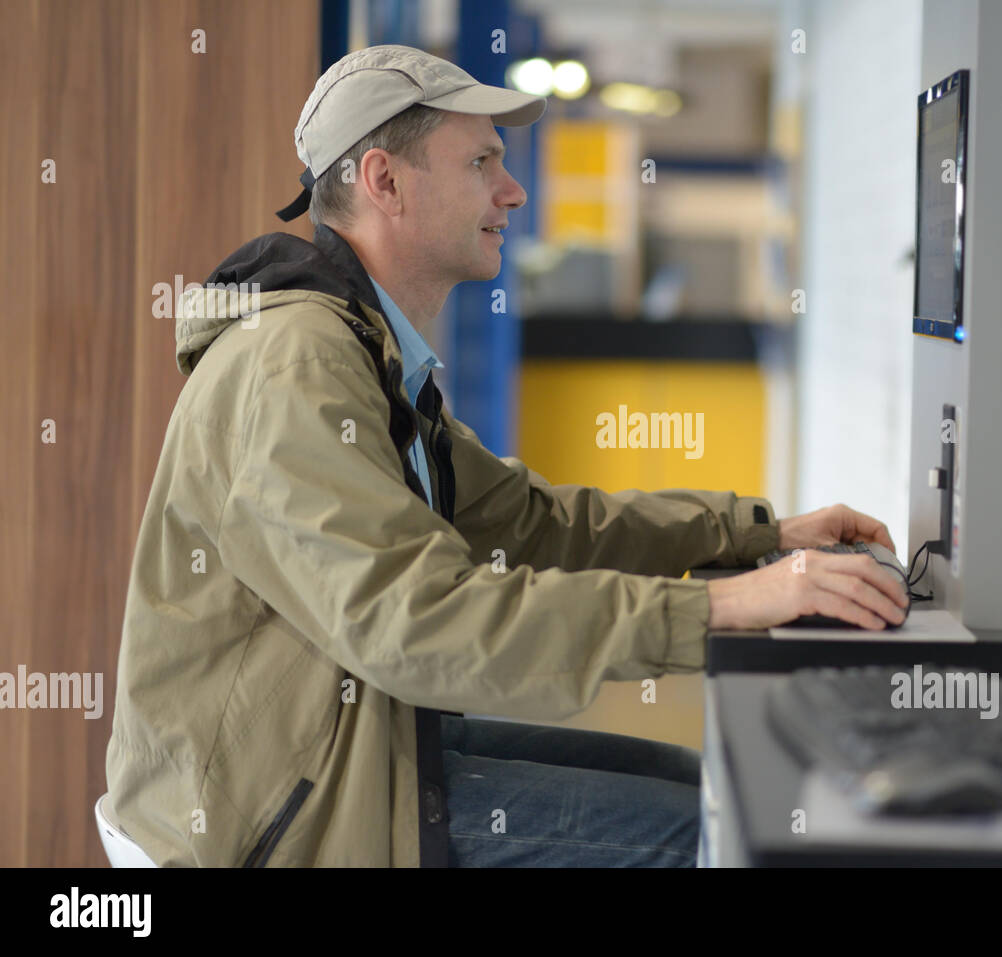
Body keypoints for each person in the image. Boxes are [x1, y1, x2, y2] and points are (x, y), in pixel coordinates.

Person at [104, 45, 909, 868]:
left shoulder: (363, 350)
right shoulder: (297, 365)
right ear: (385, 182)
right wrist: (723, 611)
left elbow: (534, 522)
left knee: (685, 781)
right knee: (698, 835)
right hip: (257, 823)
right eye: (483, 161)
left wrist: (757, 538)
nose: (514, 190)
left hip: (333, 738)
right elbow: (420, 622)